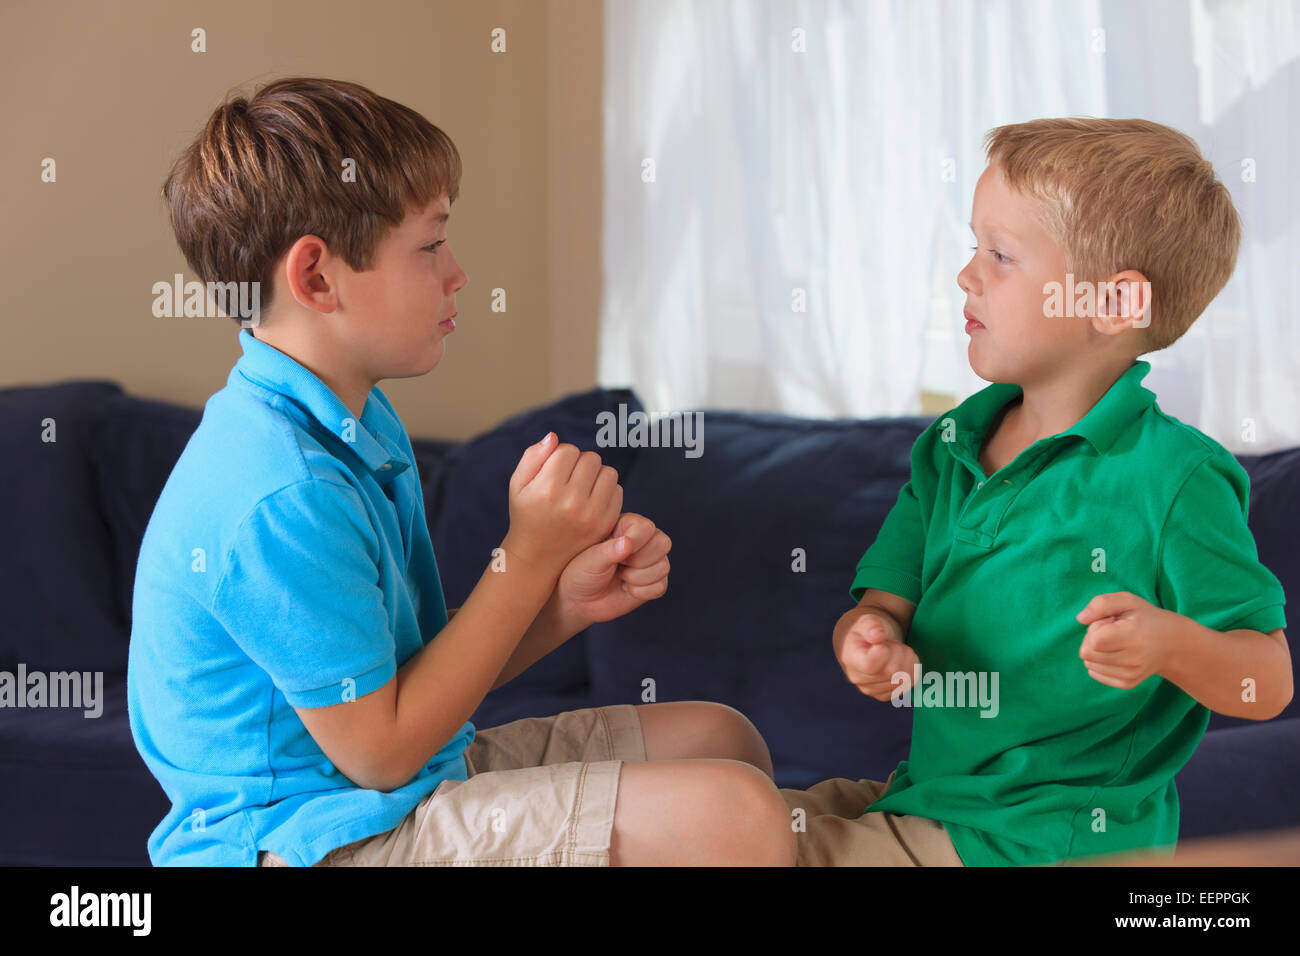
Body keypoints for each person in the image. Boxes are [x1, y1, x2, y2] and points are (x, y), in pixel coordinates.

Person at [128, 76, 797, 867]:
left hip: (386, 787)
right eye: (430, 243)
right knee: (739, 818)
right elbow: (380, 752)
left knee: (723, 739)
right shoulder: (283, 490)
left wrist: (559, 607)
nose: (457, 274)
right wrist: (532, 554)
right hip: (313, 839)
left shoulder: (355, 425)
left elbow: (410, 692)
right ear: (315, 278)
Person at [781, 117, 1291, 866]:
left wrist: (1169, 643)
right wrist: (868, 642)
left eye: (1000, 256)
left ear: (1114, 306)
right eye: (973, 247)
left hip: (1040, 845)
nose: (966, 275)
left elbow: (1266, 684)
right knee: (720, 800)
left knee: (724, 835)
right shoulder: (952, 444)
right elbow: (881, 606)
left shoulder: (1177, 480)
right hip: (928, 803)